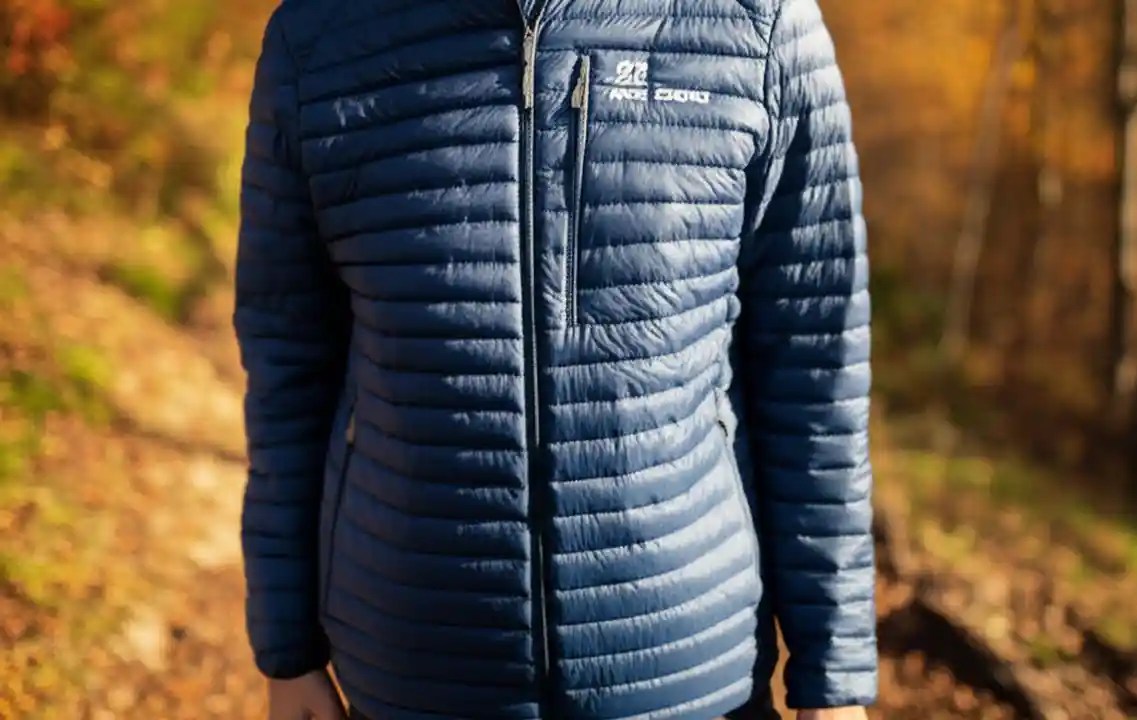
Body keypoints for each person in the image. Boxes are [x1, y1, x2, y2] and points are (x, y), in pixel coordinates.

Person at [232, 0, 876, 718]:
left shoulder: (757, 26)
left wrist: (834, 671)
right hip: (414, 664)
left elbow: (815, 367)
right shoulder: (319, 38)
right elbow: (287, 364)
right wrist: (286, 647)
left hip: (691, 669)